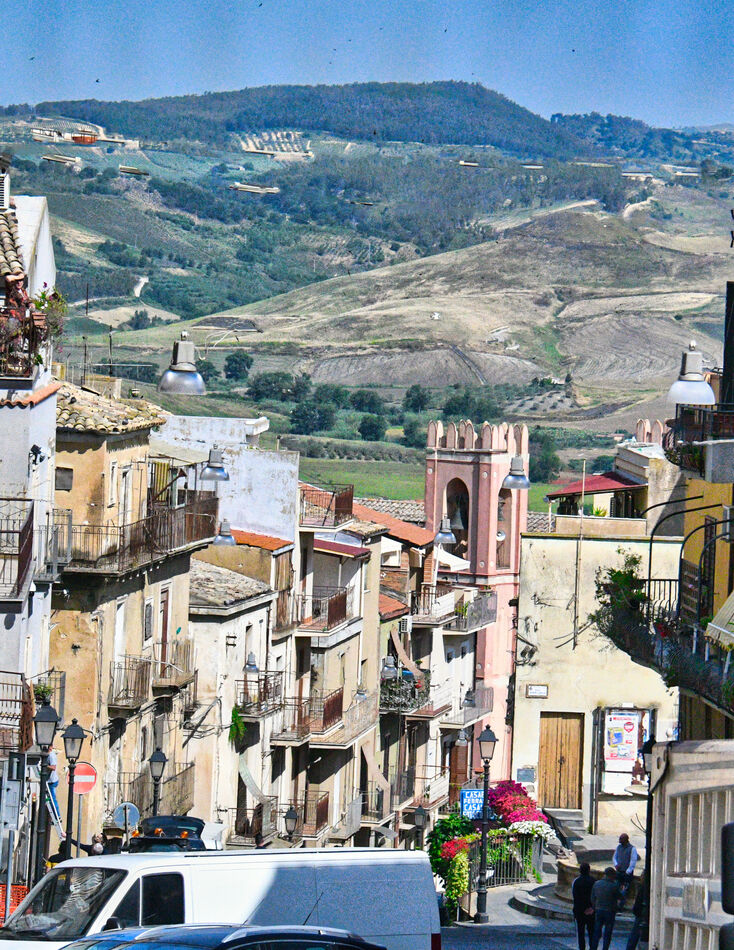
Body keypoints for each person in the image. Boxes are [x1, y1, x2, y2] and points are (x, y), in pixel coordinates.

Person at [591, 867, 619, 950]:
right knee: (607, 933)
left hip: (599, 910)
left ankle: (593, 947)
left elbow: (592, 898)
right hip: (609, 911)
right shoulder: (613, 886)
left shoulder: (596, 883)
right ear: (611, 875)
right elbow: (620, 897)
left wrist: (595, 907)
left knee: (596, 932)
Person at [572, 862, 595, 950]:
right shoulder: (594, 881)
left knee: (580, 932)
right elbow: (596, 896)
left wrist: (581, 909)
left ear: (580, 871)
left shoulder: (576, 881)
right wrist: (592, 908)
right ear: (589, 870)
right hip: (591, 911)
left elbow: (575, 897)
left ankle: (582, 948)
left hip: (579, 911)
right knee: (591, 932)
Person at [614, 832, 639, 909]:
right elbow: (614, 857)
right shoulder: (618, 847)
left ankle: (620, 906)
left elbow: (633, 861)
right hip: (619, 872)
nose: (619, 840)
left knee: (624, 890)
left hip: (627, 873)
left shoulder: (632, 849)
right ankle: (616, 904)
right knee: (616, 888)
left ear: (626, 840)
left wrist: (628, 871)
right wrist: (616, 864)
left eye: (621, 839)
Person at [626, 875, 648, 950]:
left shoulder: (642, 888)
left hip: (641, 913)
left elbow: (638, 902)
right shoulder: (645, 887)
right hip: (643, 913)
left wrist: (636, 911)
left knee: (634, 935)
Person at [46, 745, 60, 817]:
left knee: (52, 799)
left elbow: (53, 767)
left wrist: (44, 766)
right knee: (50, 799)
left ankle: (57, 816)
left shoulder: (51, 755)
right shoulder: (49, 754)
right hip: (50, 780)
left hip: (52, 781)